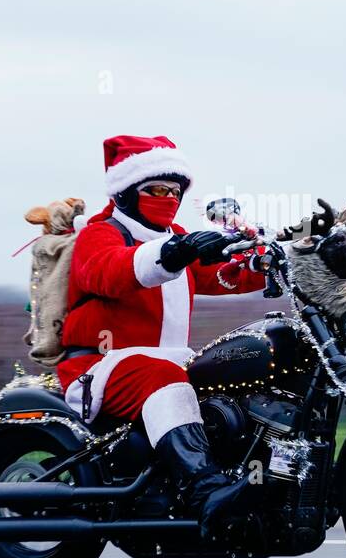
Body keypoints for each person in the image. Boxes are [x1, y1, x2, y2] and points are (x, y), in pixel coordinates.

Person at [56, 134, 267, 537]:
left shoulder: (176, 239)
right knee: (163, 380)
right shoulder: (100, 233)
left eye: (175, 191)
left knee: (234, 377)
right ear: (126, 191)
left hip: (167, 361)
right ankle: (204, 491)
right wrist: (174, 251)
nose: (167, 198)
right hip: (100, 365)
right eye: (156, 189)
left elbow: (225, 276)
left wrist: (287, 257)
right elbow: (110, 271)